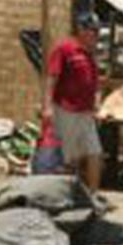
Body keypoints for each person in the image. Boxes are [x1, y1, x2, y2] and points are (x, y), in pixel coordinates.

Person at [43, 12, 103, 191]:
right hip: (66, 110)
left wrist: (97, 104)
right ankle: (68, 192)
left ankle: (93, 194)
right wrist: (47, 106)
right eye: (92, 31)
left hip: (85, 112)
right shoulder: (65, 49)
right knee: (70, 157)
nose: (95, 35)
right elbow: (51, 78)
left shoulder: (90, 54)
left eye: (97, 31)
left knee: (94, 152)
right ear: (81, 30)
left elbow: (94, 82)